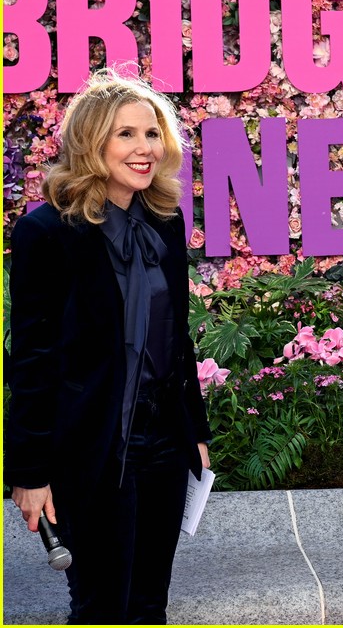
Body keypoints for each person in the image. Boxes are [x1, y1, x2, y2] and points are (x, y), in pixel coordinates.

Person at [7, 70, 212, 624]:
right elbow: (29, 359)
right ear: (91, 143)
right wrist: (26, 473)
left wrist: (195, 431)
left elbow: (176, 338)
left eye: (152, 133)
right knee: (102, 608)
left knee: (149, 605)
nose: (144, 148)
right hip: (91, 450)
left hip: (164, 444)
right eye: (126, 134)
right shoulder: (47, 234)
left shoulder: (164, 224)